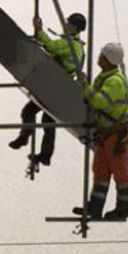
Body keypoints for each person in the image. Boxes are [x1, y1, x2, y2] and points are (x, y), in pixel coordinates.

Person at [7, 13, 86, 166]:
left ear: (75, 26)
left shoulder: (71, 44)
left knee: (30, 112)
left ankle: (25, 139)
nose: (66, 24)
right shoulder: (74, 44)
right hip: (58, 88)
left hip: (55, 87)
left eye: (68, 23)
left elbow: (52, 47)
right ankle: (45, 155)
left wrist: (39, 30)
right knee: (47, 121)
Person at [72, 42, 128, 221]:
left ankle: (123, 210)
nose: (98, 57)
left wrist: (85, 85)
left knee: (119, 171)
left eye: (102, 55)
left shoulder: (114, 82)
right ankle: (95, 207)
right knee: (100, 171)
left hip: (114, 135)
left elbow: (98, 101)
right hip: (107, 134)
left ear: (107, 59)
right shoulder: (108, 77)